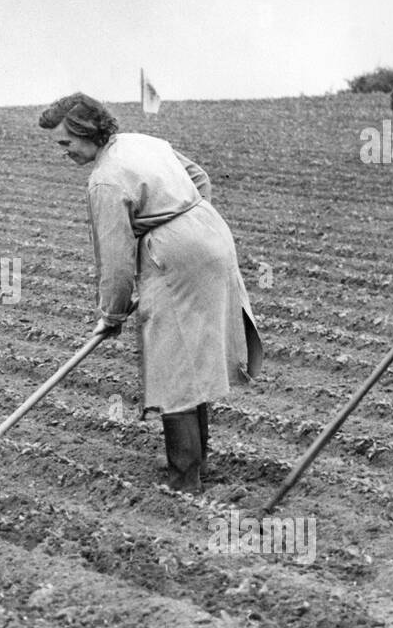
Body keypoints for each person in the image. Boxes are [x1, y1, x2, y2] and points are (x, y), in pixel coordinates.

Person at [39, 93, 263, 492]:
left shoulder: (104, 180)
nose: (64, 153)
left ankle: (184, 479)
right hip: (211, 235)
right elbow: (200, 179)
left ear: (86, 132)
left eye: (65, 143)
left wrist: (111, 315)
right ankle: (195, 465)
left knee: (172, 369)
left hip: (177, 259)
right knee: (190, 360)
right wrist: (183, 220)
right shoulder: (141, 141)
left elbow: (116, 263)